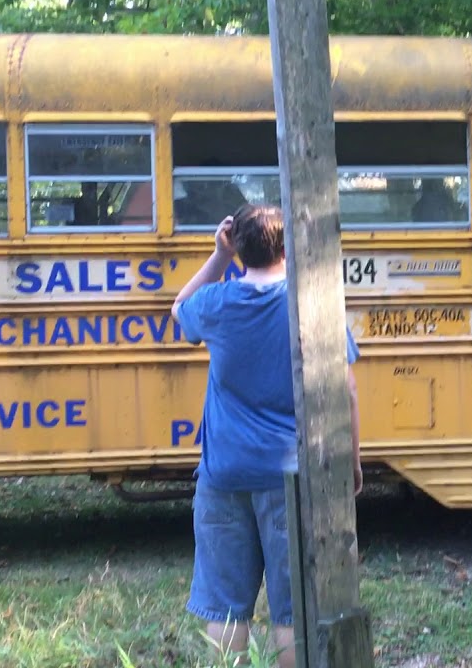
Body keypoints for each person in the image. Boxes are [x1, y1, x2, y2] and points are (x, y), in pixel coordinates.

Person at [172, 204, 362, 666]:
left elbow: (179, 310)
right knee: (292, 606)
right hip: (289, 477)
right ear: (289, 245)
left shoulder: (217, 305)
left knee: (226, 605)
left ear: (237, 243)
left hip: (224, 475)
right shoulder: (310, 305)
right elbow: (347, 390)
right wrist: (352, 460)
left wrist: (219, 258)